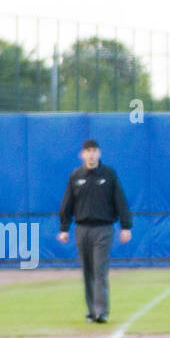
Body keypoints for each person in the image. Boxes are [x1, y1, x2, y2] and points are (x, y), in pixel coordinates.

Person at [58, 139, 132, 324]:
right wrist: (64, 228)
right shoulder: (76, 176)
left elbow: (120, 201)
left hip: (103, 229)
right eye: (87, 151)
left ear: (99, 153)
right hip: (82, 229)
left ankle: (101, 311)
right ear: (82, 154)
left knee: (99, 270)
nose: (91, 154)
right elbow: (67, 203)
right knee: (87, 271)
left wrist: (125, 226)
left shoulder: (108, 174)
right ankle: (91, 311)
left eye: (94, 151)